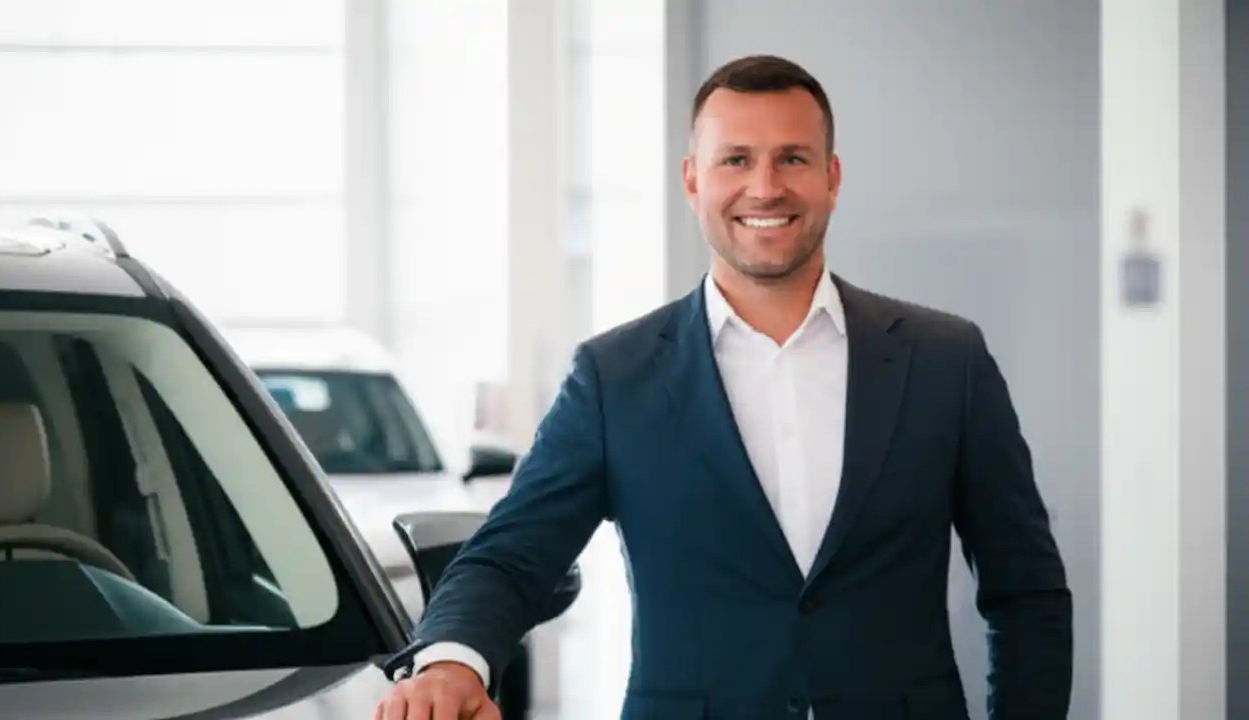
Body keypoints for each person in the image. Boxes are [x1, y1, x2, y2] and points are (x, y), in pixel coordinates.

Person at [373, 54, 1072, 720]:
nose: (764, 187)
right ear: (693, 181)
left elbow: (1026, 589)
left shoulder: (946, 360)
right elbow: (510, 558)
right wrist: (450, 665)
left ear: (832, 177)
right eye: (735, 159)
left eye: (792, 159)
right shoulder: (614, 378)